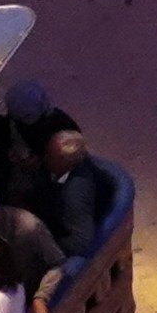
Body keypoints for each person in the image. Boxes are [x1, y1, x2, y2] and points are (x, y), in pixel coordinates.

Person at [27, 111, 121, 262]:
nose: (44, 158)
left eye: (49, 155)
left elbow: (81, 242)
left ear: (63, 161)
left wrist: (43, 246)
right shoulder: (68, 164)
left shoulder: (73, 196)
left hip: (63, 229)